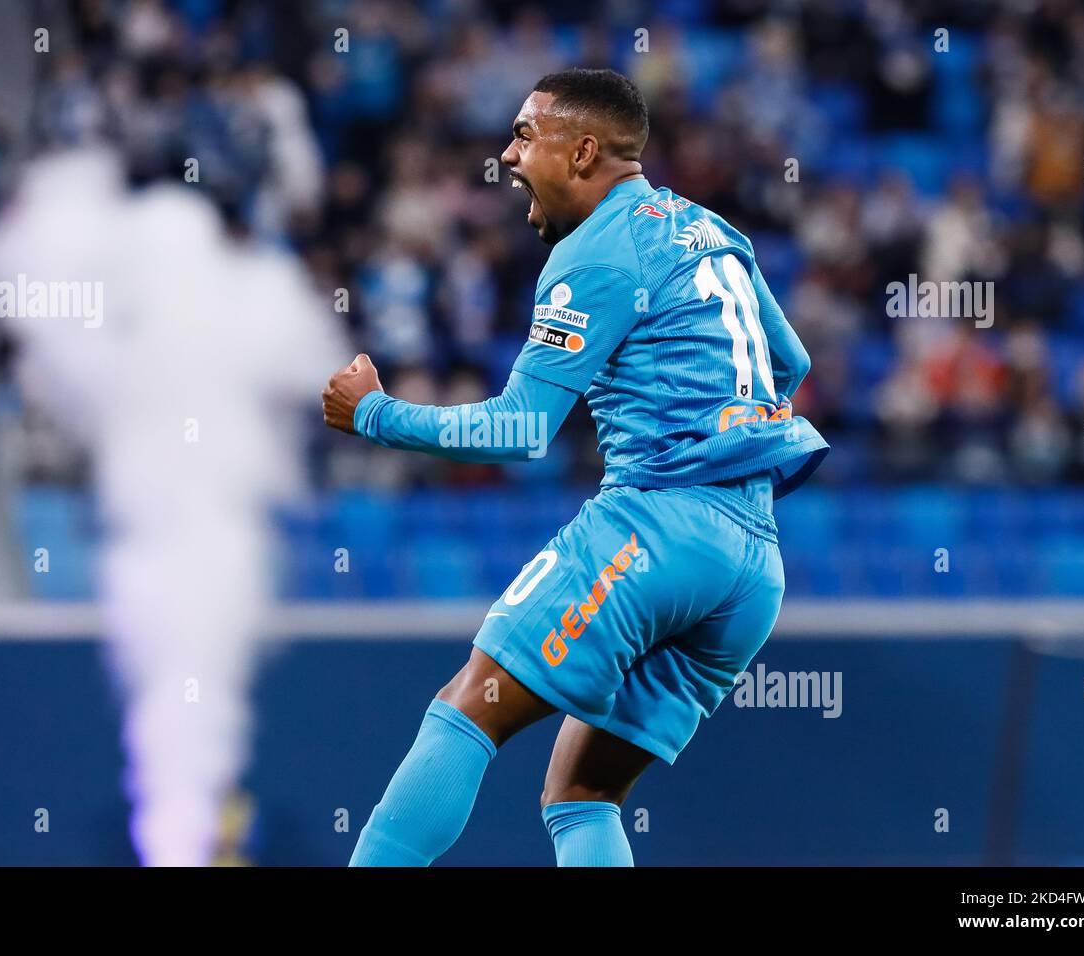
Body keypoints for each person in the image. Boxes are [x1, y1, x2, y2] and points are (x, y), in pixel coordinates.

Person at [322, 68, 828, 866]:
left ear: (583, 150)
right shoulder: (712, 231)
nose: (508, 155)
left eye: (525, 135)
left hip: (654, 533)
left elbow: (521, 429)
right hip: (751, 567)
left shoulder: (594, 255)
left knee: (466, 711)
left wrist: (374, 415)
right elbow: (790, 361)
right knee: (582, 795)